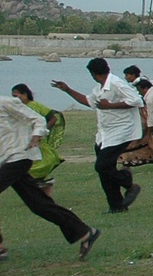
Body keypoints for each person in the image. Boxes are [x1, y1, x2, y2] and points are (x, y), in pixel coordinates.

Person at [0, 91, 99, 262]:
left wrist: (36, 137)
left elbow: (37, 119)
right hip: (6, 160)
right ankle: (85, 232)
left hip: (19, 157)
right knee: (39, 204)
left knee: (38, 203)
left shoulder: (6, 103)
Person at [51, 57, 143, 213]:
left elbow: (137, 100)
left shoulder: (117, 84)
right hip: (104, 134)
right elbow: (88, 101)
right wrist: (67, 90)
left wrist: (110, 106)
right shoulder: (99, 88)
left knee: (102, 165)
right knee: (104, 170)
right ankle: (116, 205)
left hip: (121, 131)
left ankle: (128, 182)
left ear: (93, 73)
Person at [11, 84, 65, 193]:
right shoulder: (15, 109)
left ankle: (40, 186)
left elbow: (53, 118)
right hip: (23, 142)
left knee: (35, 165)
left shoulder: (36, 106)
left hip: (37, 142)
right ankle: (41, 185)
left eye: (17, 96)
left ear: (25, 95)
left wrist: (41, 132)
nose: (14, 99)